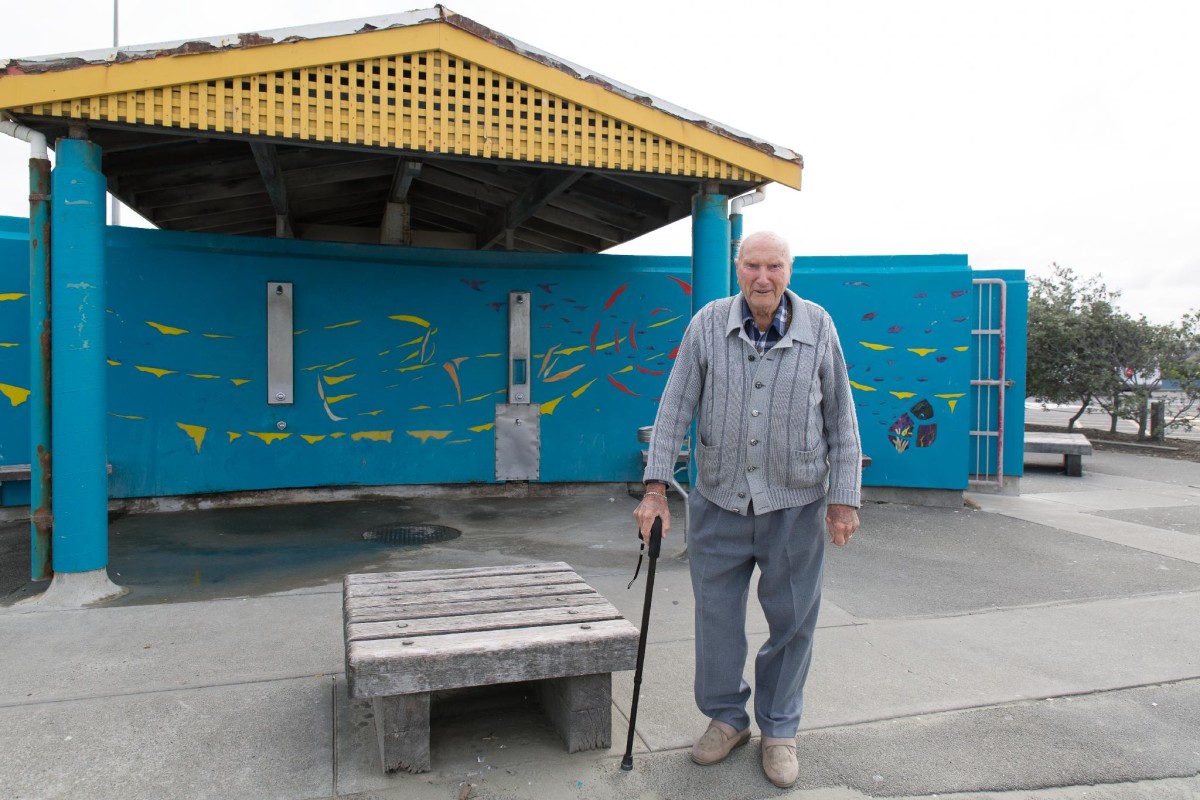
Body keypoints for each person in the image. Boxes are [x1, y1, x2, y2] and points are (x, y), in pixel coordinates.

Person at [634, 230, 862, 789]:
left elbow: (841, 416)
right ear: (738, 270)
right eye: (753, 266)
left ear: (789, 271)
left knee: (792, 621)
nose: (763, 277)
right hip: (718, 500)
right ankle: (726, 718)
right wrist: (656, 489)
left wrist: (844, 499)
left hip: (796, 503)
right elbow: (674, 407)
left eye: (774, 266)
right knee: (716, 619)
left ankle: (779, 730)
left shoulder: (819, 327)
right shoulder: (709, 323)